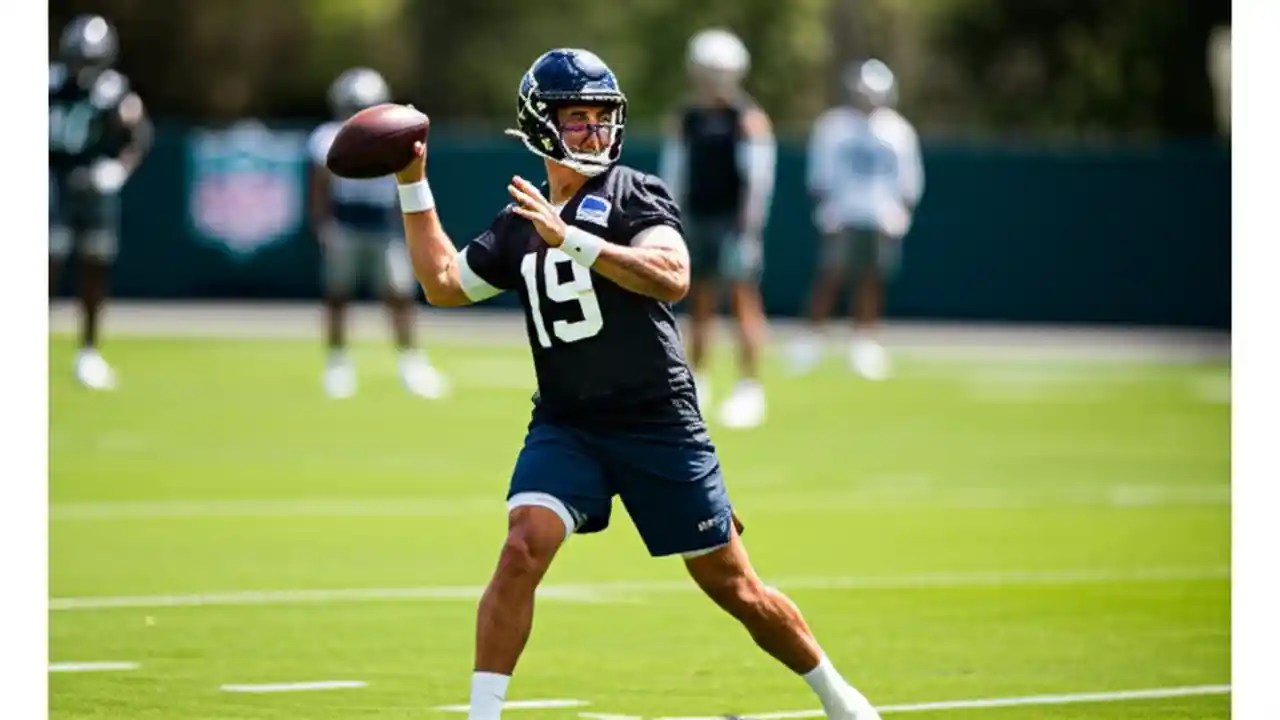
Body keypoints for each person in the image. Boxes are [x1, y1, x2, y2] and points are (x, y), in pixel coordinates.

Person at [389, 48, 880, 720]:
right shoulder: (521, 221)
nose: (594, 133)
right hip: (568, 422)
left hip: (657, 421)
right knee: (523, 545)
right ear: (539, 124)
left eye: (602, 118)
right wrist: (412, 183)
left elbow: (673, 276)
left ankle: (837, 694)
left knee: (734, 585)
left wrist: (573, 240)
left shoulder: (633, 193)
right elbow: (444, 284)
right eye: (578, 118)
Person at [307, 67, 448, 399]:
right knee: (338, 294)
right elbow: (319, 186)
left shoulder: (392, 131)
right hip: (345, 220)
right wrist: (322, 224)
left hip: (383, 223)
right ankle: (337, 363)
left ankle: (411, 362)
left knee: (399, 295)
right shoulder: (327, 135)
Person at [659, 28, 776, 428]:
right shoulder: (686, 118)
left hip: (733, 224)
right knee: (699, 302)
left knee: (743, 300)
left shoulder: (748, 119)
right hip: (695, 219)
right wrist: (671, 218)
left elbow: (758, 181)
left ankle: (749, 387)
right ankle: (697, 381)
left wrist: (749, 228)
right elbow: (675, 171)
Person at [792, 59, 924, 380]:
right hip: (842, 214)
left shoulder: (899, 131)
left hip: (881, 216)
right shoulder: (833, 126)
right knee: (830, 276)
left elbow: (909, 179)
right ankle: (812, 338)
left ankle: (864, 341)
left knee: (872, 280)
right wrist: (827, 207)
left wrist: (900, 212)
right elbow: (819, 175)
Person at [49, 14, 152, 390]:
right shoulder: (49, 83)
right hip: (52, 183)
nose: (84, 66)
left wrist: (117, 170)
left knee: (95, 268)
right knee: (47, 263)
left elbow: (138, 134)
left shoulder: (113, 91)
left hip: (93, 189)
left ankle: (88, 352)